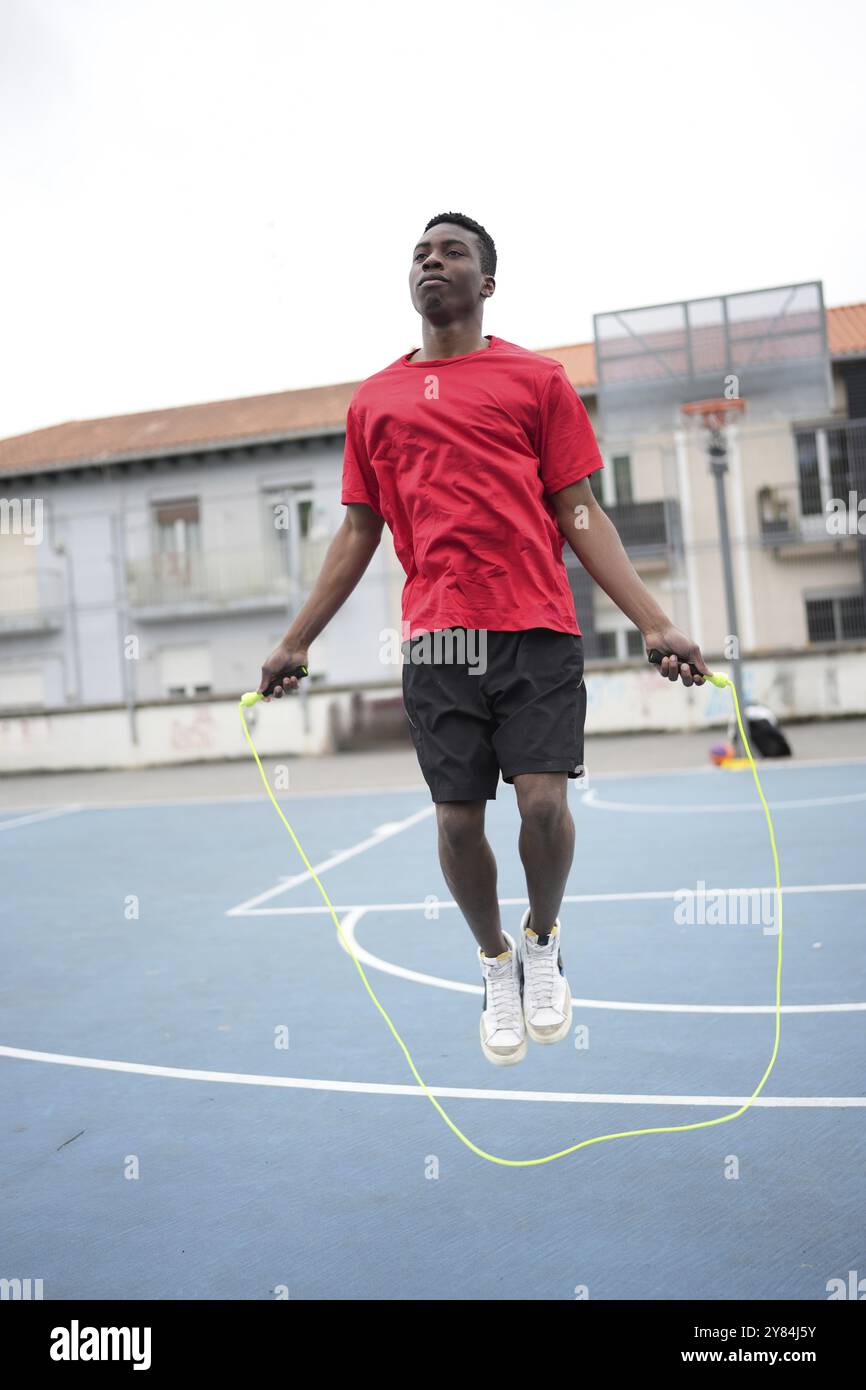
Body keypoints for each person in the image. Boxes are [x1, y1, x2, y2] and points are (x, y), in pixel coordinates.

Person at [258, 211, 709, 1067]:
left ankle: (542, 941)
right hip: (438, 641)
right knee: (458, 823)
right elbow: (358, 531)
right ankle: (496, 962)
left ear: (487, 282)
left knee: (541, 804)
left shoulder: (537, 380)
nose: (432, 262)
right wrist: (297, 639)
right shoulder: (375, 401)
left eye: (452, 251)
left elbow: (579, 510)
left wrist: (655, 622)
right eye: (420, 254)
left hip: (536, 627)